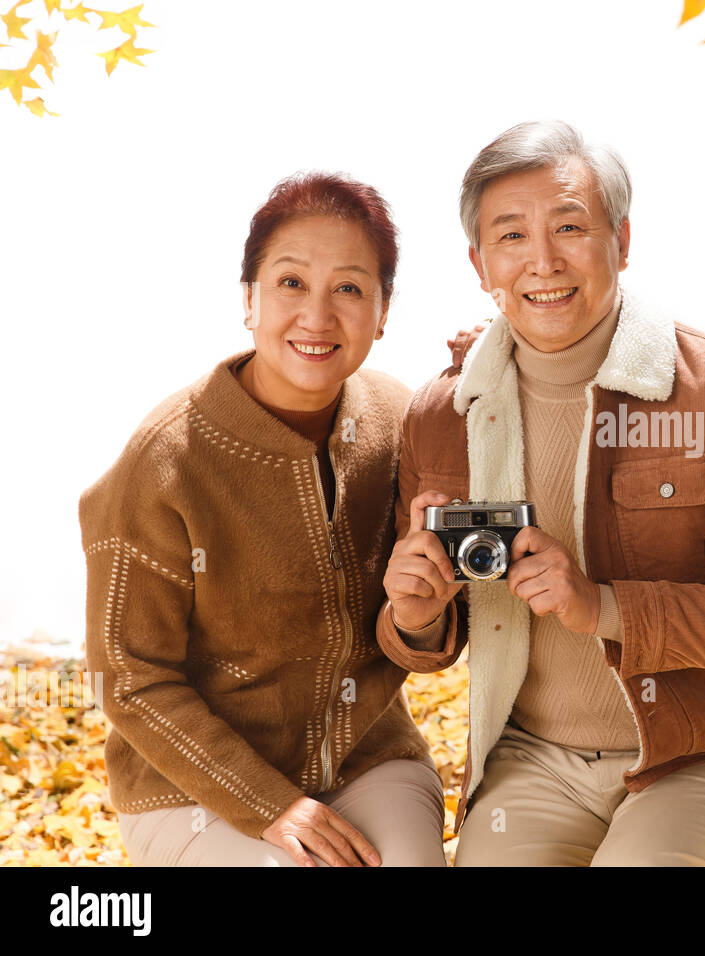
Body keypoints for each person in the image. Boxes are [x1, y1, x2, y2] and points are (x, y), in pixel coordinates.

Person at [377, 120, 705, 866]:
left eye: (570, 227)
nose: (543, 261)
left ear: (621, 241)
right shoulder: (443, 413)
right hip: (532, 758)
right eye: (511, 236)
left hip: (702, 755)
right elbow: (421, 641)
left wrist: (602, 607)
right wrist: (415, 616)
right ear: (480, 263)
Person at [80, 171, 463, 866]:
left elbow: (425, 642)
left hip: (367, 759)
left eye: (349, 289)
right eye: (291, 283)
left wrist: (419, 618)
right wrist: (268, 804)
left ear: (383, 312)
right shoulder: (164, 459)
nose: (317, 316)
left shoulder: (397, 420)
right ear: (249, 299)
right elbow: (128, 678)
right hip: (190, 788)